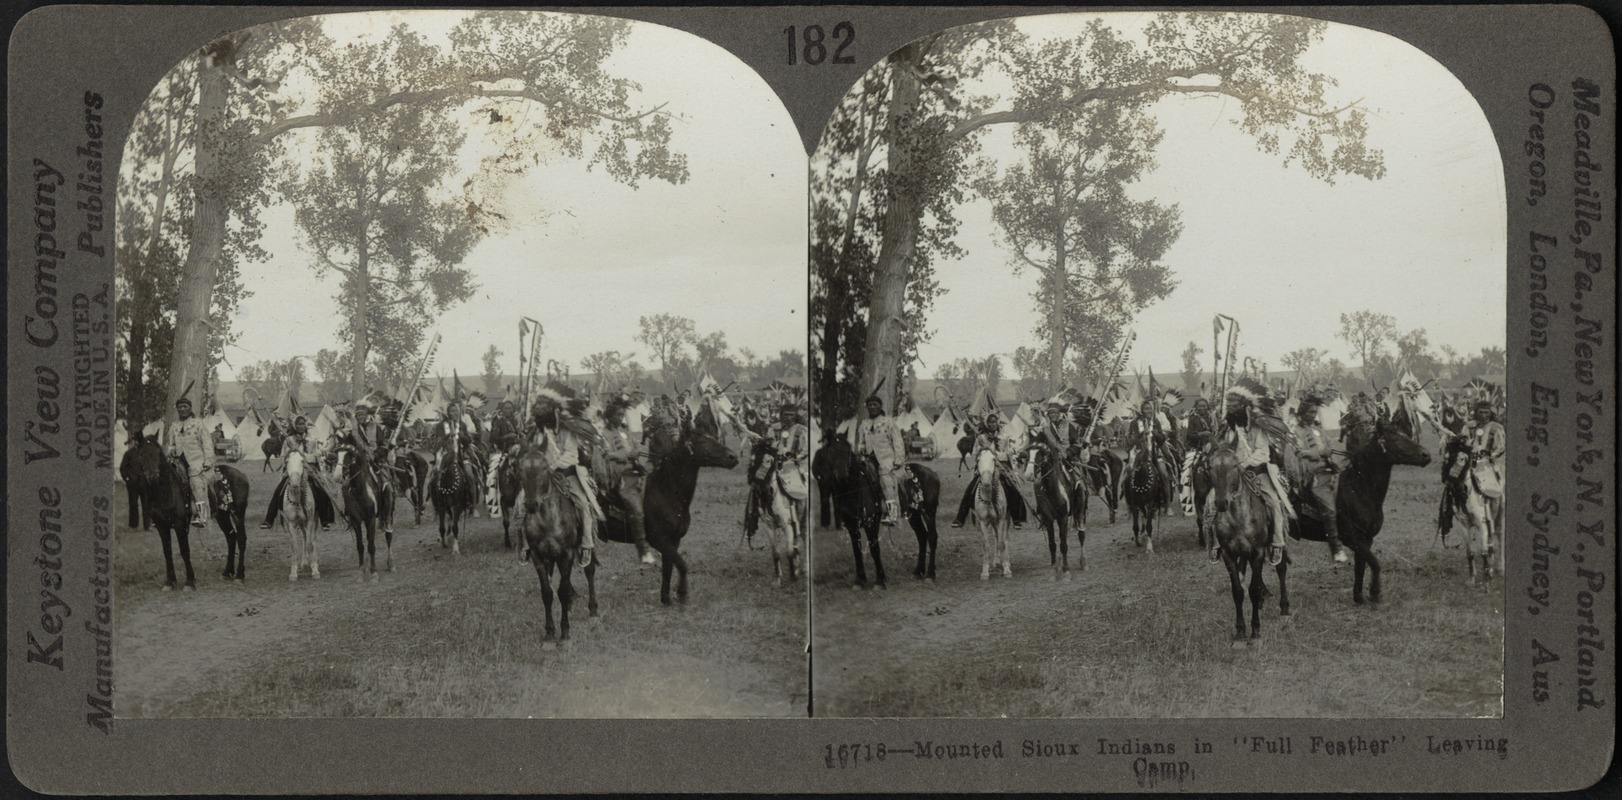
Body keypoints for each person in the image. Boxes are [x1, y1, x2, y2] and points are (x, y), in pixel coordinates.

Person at [529, 383, 606, 568]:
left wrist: (553, 467)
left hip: (568, 474)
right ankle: (525, 544)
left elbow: (570, 454)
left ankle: (587, 544)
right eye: (537, 405)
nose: (539, 408)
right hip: (542, 476)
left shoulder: (566, 430)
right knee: (523, 502)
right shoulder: (536, 431)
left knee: (583, 505)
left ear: (553, 409)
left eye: (543, 405)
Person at [1218, 381, 1293, 565]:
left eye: (1234, 405)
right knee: (1213, 502)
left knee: (1274, 501)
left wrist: (1245, 464)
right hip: (1233, 473)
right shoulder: (1227, 427)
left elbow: (1263, 452)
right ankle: (1216, 543)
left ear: (1244, 406)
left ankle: (1277, 543)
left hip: (1258, 471)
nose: (1230, 408)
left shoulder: (1258, 426)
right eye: (1229, 405)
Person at [601, 393, 657, 564]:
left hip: (634, 472)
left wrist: (635, 456)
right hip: (618, 476)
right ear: (609, 416)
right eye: (617, 415)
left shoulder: (625, 431)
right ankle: (643, 548)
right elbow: (606, 454)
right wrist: (627, 454)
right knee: (635, 505)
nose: (620, 417)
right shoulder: (604, 433)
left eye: (621, 414)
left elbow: (634, 448)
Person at [950, 413, 1030, 528]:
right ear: (986, 424)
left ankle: (1017, 518)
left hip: (1002, 468)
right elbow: (974, 454)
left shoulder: (1004, 437)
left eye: (994, 422)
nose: (992, 424)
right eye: (990, 422)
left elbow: (1009, 453)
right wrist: (984, 454)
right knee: (970, 490)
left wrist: (998, 455)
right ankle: (960, 518)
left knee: (1013, 488)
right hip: (986, 467)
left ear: (997, 423)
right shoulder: (981, 438)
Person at [1290, 396, 1346, 563]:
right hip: (1312, 475)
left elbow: (1330, 447)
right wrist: (1321, 452)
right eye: (1310, 412)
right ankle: (1336, 548)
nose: (1313, 415)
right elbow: (1300, 452)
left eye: (1315, 411)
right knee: (1329, 507)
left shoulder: (1318, 429)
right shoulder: (1296, 431)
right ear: (1303, 413)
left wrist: (1322, 451)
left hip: (1330, 470)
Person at [853, 391, 906, 525]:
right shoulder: (864, 424)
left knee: (885, 479)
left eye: (875, 404)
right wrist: (860, 452)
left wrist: (898, 460)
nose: (872, 407)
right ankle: (861, 512)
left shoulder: (888, 422)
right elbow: (861, 443)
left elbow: (898, 442)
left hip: (887, 458)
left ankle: (892, 514)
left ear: (880, 406)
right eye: (870, 405)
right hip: (869, 459)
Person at [166, 396, 215, 527]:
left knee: (195, 482)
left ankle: (201, 515)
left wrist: (208, 462)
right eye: (180, 407)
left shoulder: (198, 424)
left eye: (185, 407)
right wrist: (171, 451)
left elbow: (207, 444)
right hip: (178, 461)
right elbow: (171, 444)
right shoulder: (174, 426)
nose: (182, 409)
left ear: (190, 409)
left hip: (196, 460)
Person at [1126, 399, 1179, 505]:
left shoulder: (1155, 422)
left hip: (1154, 452)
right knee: (1128, 472)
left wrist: (1157, 434)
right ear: (1141, 410)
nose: (1149, 410)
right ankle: (1131, 501)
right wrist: (1141, 435)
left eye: (1150, 408)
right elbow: (1132, 440)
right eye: (1146, 408)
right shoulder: (1134, 423)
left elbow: (1161, 439)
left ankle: (1168, 505)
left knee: (1163, 473)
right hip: (1139, 453)